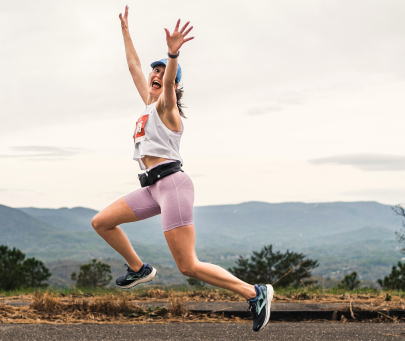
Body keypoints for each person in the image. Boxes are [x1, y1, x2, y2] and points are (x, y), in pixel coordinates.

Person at [90, 6, 273, 332]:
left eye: (163, 73)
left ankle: (254, 292)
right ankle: (139, 269)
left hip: (172, 184)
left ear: (173, 83)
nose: (156, 75)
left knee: (188, 265)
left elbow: (169, 85)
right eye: (154, 72)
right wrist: (125, 31)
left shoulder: (168, 109)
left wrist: (172, 54)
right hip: (151, 188)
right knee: (102, 222)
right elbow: (134, 66)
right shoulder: (147, 106)